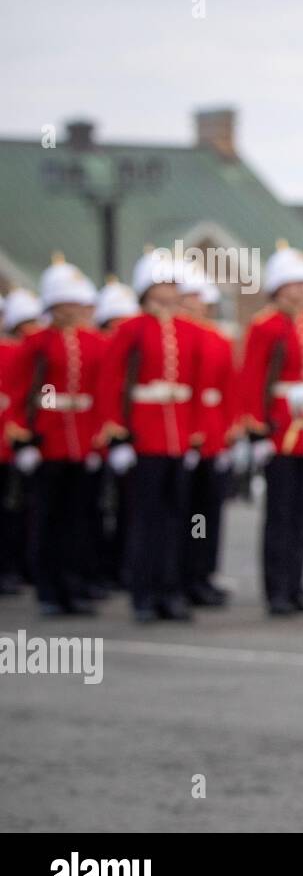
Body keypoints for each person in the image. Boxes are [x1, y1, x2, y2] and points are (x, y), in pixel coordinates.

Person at [97, 248, 206, 621]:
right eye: (165, 283)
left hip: (178, 436)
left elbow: (195, 386)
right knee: (146, 520)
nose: (172, 290)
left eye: (175, 283)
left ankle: (170, 590)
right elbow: (111, 381)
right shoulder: (131, 329)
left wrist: (195, 436)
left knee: (178, 518)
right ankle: (143, 592)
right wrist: (117, 433)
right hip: (144, 434)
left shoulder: (189, 331)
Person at [239, 242, 303, 616]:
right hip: (280, 429)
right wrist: (257, 430)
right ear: (279, 288)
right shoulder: (265, 326)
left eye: (302, 284)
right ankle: (276, 589)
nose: (300, 291)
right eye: (293, 284)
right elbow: (252, 379)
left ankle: (297, 584)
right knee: (279, 515)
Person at [6, 256, 104, 616]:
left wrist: (97, 438)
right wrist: (23, 436)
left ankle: (75, 584)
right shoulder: (37, 343)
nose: (76, 308)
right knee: (47, 518)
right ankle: (50, 588)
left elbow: (99, 393)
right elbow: (21, 392)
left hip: (80, 437)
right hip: (48, 438)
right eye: (69, 302)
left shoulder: (92, 342)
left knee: (79, 519)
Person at [178, 267, 235, 607]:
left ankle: (202, 573)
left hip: (213, 435)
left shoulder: (215, 337)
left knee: (206, 513)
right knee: (187, 512)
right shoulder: (185, 336)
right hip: (190, 434)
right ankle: (185, 573)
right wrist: (193, 433)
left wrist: (227, 433)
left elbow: (228, 386)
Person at [90, 280, 140, 590]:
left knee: (128, 508)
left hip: (130, 436)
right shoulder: (98, 345)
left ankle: (122, 566)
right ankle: (99, 568)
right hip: (95, 438)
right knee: (96, 508)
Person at [0, 289, 46, 593]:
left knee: (13, 510)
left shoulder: (16, 352)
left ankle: (13, 567)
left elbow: (25, 398)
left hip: (8, 444)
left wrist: (26, 436)